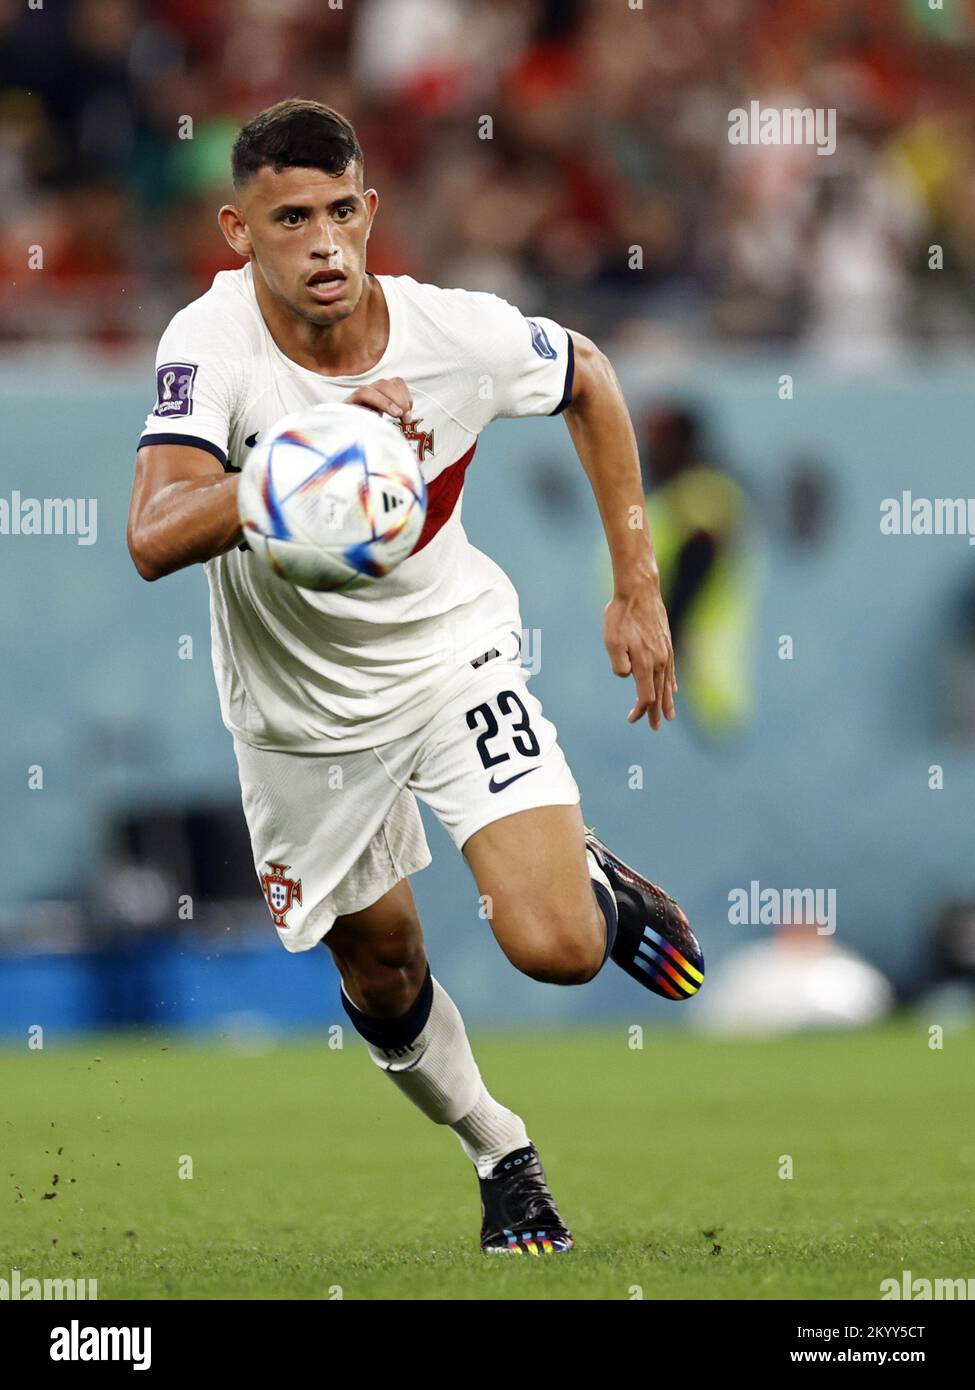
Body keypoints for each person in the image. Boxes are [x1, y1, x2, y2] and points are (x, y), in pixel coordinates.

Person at [126, 99, 704, 1255]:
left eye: (343, 212)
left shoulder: (456, 335)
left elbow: (587, 374)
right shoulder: (211, 342)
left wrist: (636, 582)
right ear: (240, 232)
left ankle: (579, 876)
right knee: (384, 971)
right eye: (293, 219)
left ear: (372, 210)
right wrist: (297, 470)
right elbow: (150, 536)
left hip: (452, 659)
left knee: (559, 948)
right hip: (297, 720)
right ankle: (501, 1151)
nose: (326, 242)